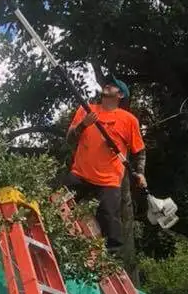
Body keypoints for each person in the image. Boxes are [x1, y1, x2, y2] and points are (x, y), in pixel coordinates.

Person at [63, 78, 146, 251]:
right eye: (107, 83)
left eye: (113, 85)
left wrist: (140, 173)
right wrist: (83, 125)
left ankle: (109, 265)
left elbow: (140, 152)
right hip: (81, 174)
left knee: (111, 229)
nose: (107, 85)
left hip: (109, 181)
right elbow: (70, 139)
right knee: (56, 202)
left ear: (120, 95)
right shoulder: (87, 110)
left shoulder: (129, 120)